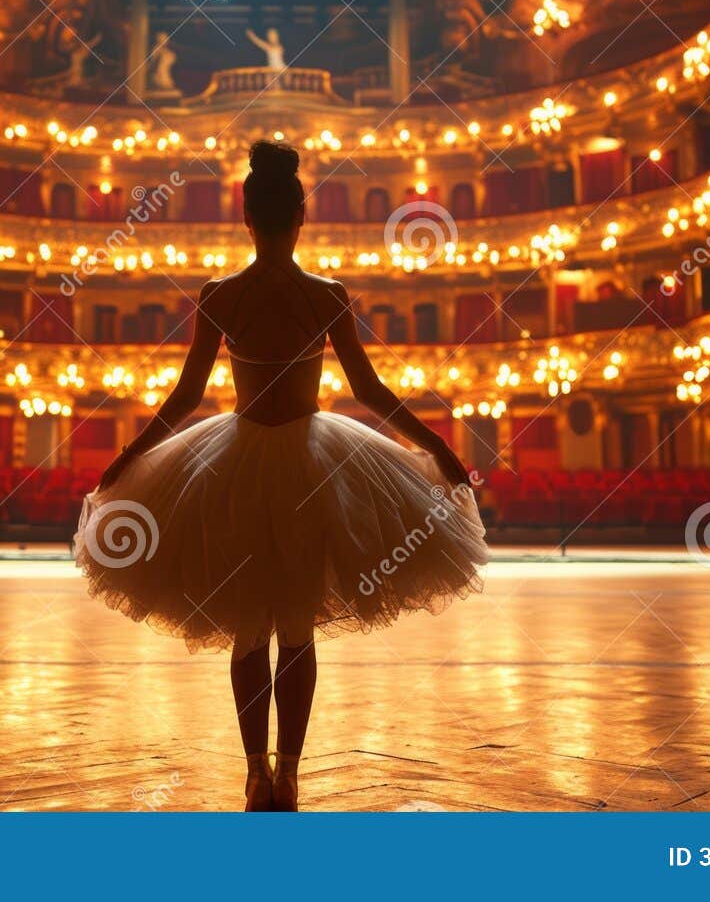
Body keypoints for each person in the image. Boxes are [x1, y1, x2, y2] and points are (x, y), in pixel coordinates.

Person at [74, 141, 488, 811]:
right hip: (312, 466)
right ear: (303, 215)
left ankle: (255, 770)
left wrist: (127, 458)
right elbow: (372, 392)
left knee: (247, 627)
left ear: (245, 217)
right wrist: (435, 443)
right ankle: (288, 769)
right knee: (297, 627)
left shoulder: (219, 296)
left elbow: (182, 399)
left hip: (233, 461)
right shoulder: (326, 296)